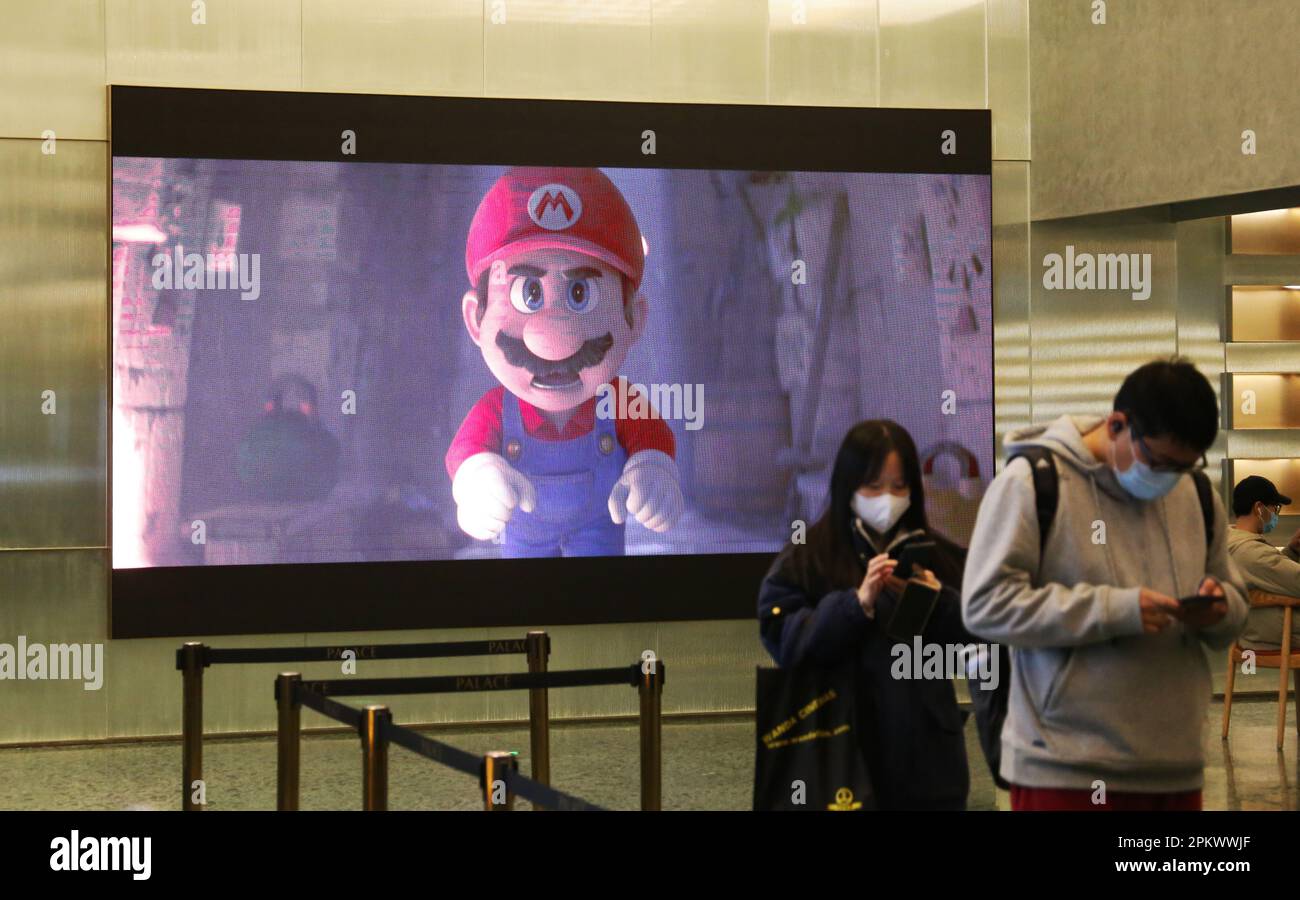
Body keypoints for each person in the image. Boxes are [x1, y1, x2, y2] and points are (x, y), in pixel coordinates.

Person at [962, 357, 1248, 811]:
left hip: (1176, 762)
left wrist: (1220, 609)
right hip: (1066, 767)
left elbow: (1234, 599)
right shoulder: (1033, 483)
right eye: (1158, 461)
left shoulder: (1195, 493)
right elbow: (984, 605)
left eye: (1185, 466)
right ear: (1118, 424)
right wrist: (1116, 611)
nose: (1168, 478)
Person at [445, 167, 683, 557]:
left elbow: (652, 438)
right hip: (525, 538)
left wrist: (653, 471)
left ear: (633, 319)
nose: (554, 342)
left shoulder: (620, 401)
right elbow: (466, 453)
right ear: (476, 319)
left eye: (580, 293)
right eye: (529, 292)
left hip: (599, 531)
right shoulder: (496, 410)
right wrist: (478, 480)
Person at [758, 419, 976, 810]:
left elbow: (979, 638)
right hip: (837, 757)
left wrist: (937, 601)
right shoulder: (809, 556)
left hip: (927, 767)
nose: (887, 498)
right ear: (847, 487)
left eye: (899, 485)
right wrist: (855, 605)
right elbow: (782, 637)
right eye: (873, 486)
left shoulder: (937, 555)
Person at [1227, 475, 1300, 650]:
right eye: (1275, 508)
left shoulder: (1228, 543)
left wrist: (1292, 551)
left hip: (1249, 629)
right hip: (1273, 632)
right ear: (1259, 508)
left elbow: (1269, 578)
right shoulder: (1253, 553)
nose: (1276, 514)